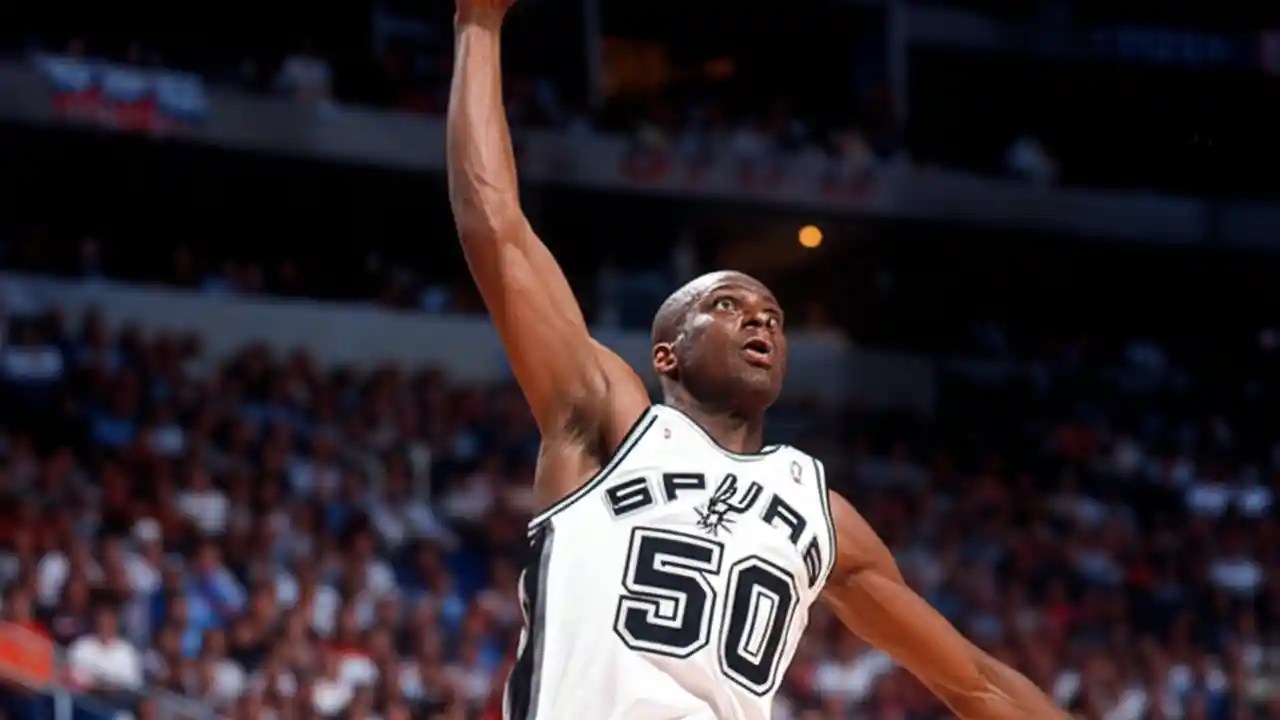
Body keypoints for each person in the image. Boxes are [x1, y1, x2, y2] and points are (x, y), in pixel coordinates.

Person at [445, 1, 1070, 718]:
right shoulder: (609, 418)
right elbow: (495, 230)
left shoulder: (817, 509)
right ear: (666, 355)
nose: (759, 319)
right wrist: (479, 26)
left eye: (772, 315)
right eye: (727, 305)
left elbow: (973, 680)